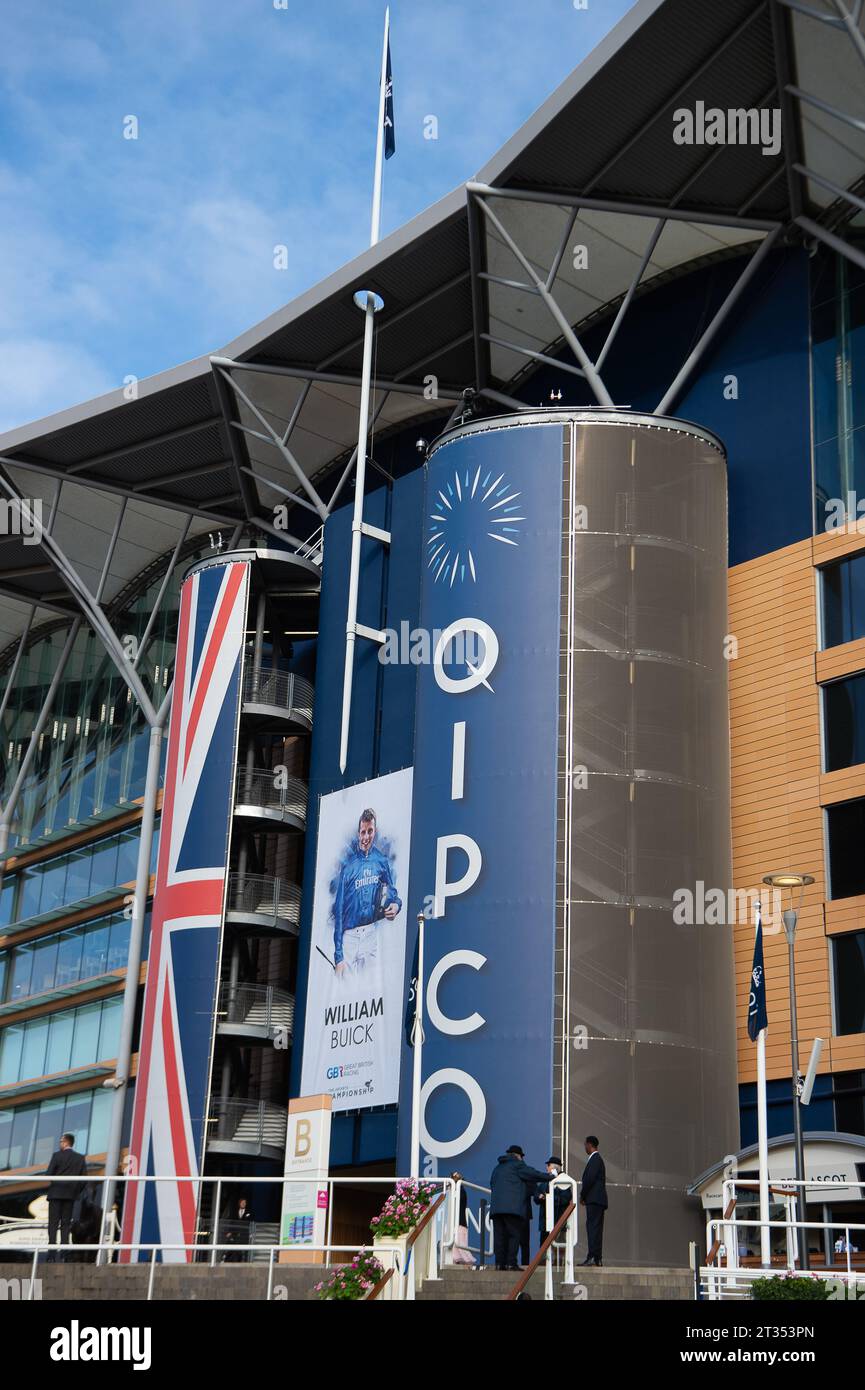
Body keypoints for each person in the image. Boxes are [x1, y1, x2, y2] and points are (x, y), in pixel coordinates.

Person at [333, 809, 402, 976]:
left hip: (370, 933)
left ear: (374, 831)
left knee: (369, 986)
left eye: (370, 831)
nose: (366, 837)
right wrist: (339, 956)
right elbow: (339, 910)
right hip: (349, 936)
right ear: (358, 833)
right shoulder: (348, 866)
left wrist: (396, 905)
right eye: (363, 832)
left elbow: (392, 893)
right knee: (345, 991)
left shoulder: (381, 861)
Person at [489, 1145, 551, 1272]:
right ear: (518, 1156)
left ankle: (499, 1264)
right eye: (522, 1157)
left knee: (499, 1237)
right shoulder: (518, 1165)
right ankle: (511, 1263)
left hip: (496, 1209)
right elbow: (534, 1174)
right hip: (512, 1209)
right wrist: (551, 1177)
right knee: (514, 1236)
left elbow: (492, 1183)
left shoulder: (497, 1168)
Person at [45, 1132, 87, 1262]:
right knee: (66, 1224)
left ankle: (51, 1254)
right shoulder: (80, 1158)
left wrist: (55, 1184)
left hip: (55, 1194)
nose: (60, 1144)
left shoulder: (57, 1156)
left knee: (53, 1223)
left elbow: (48, 1174)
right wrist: (75, 1191)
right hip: (70, 1195)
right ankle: (64, 1254)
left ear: (66, 1142)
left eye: (61, 1142)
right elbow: (84, 1179)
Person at [578, 1135, 608, 1267]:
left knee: (592, 1228)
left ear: (590, 1145)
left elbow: (589, 1179)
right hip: (598, 1200)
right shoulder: (597, 1159)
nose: (584, 1147)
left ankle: (592, 1257)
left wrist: (582, 1196)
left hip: (594, 1200)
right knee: (596, 1229)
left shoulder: (595, 1159)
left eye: (585, 1145)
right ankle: (597, 1258)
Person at [535, 1156, 570, 1246]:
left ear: (554, 1168)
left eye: (548, 1165)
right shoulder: (545, 1181)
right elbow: (536, 1195)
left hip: (558, 1223)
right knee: (543, 1249)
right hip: (545, 1224)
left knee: (558, 1250)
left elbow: (565, 1199)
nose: (547, 1168)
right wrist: (539, 1197)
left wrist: (548, 1198)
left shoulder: (564, 1181)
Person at [449, 1171, 475, 1266]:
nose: (453, 1179)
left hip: (459, 1223)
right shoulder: (452, 1191)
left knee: (461, 1248)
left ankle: (466, 1265)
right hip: (454, 1223)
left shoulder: (460, 1190)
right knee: (455, 1248)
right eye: (453, 1177)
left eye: (455, 1178)